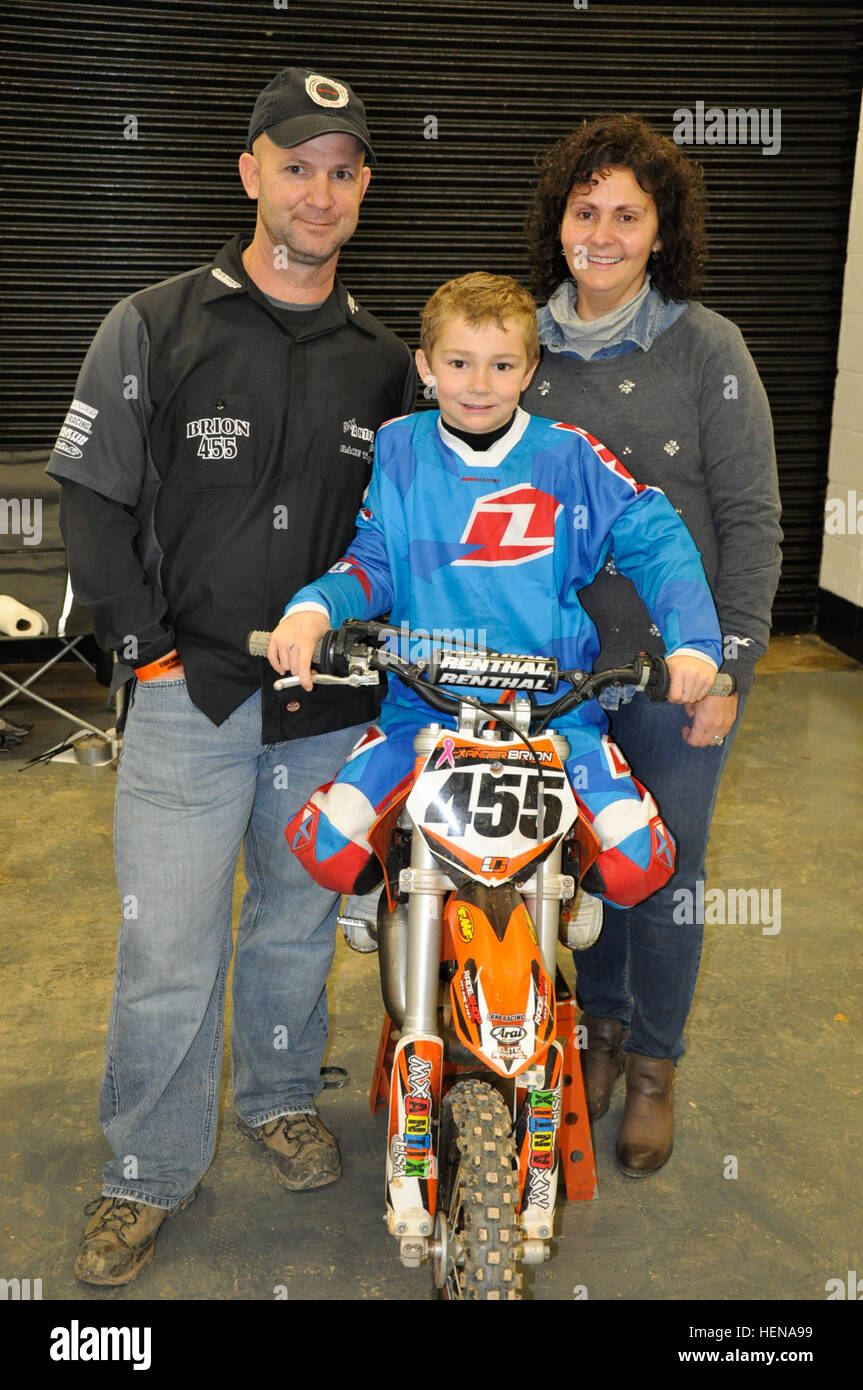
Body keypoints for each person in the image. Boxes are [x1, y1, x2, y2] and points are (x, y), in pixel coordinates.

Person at [47, 66, 416, 1286]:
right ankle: (144, 1170)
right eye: (295, 165)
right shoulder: (152, 323)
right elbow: (90, 502)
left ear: (364, 188)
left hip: (331, 709)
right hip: (188, 693)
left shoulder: (387, 361)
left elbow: (415, 530)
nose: (318, 191)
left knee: (299, 923)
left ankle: (274, 1096)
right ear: (250, 172)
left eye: (342, 170)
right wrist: (144, 645)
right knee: (169, 943)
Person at [269, 272, 725, 953]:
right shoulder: (398, 446)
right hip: (425, 709)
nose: (478, 384)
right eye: (457, 362)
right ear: (425, 367)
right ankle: (385, 882)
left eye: (501, 364)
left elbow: (656, 537)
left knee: (638, 867)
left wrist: (693, 645)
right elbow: (373, 561)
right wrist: (312, 609)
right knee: (327, 850)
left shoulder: (568, 455)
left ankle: (571, 877)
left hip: (553, 714)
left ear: (528, 370)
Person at [522, 115, 782, 1176]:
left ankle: (648, 1066)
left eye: (626, 213)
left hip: (672, 678)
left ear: (660, 231)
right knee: (562, 867)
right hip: (549, 678)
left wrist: (726, 664)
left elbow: (753, 521)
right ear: (559, 222)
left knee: (660, 869)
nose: (602, 231)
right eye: (584, 210)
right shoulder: (519, 345)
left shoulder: (705, 349)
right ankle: (592, 1028)